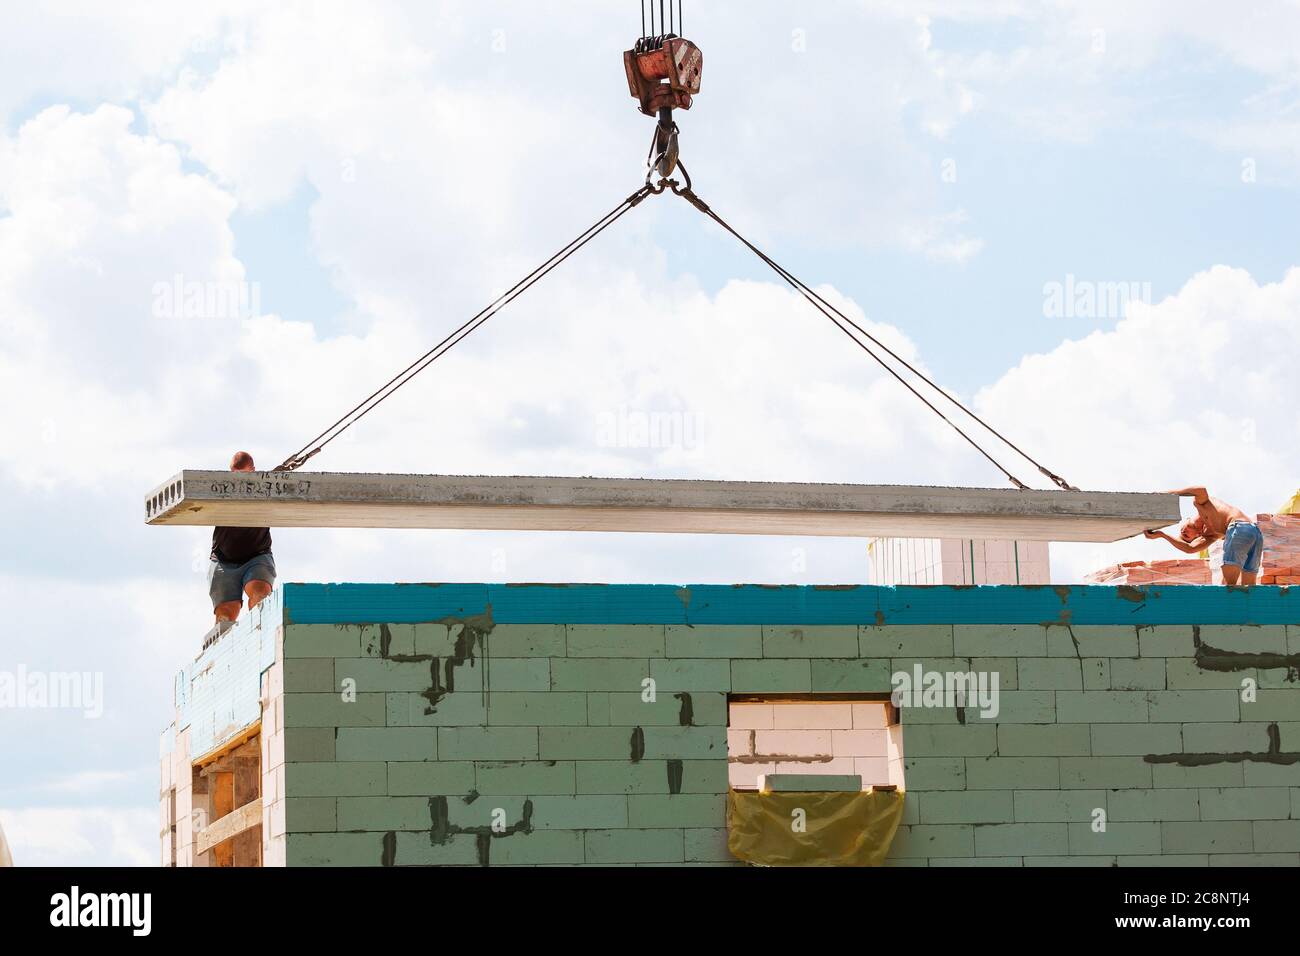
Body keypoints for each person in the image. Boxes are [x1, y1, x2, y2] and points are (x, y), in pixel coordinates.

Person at [1144, 486, 1262, 586]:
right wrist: (1162, 535)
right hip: (1254, 533)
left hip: (1241, 527)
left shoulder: (1202, 505)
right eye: (1187, 537)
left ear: (1187, 520)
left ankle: (1228, 610)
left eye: (1182, 531)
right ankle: (1245, 610)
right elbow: (1189, 548)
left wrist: (1167, 495)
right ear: (1197, 536)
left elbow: (1201, 490)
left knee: (1228, 584)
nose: (1184, 533)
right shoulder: (1211, 535)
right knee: (1249, 585)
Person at [208, 451, 277, 623]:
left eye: (244, 474)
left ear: (253, 470)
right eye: (235, 475)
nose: (239, 480)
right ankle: (224, 646)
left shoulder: (266, 488)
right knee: (225, 615)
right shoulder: (223, 490)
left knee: (260, 596)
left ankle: (261, 633)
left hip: (257, 556)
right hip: (224, 560)